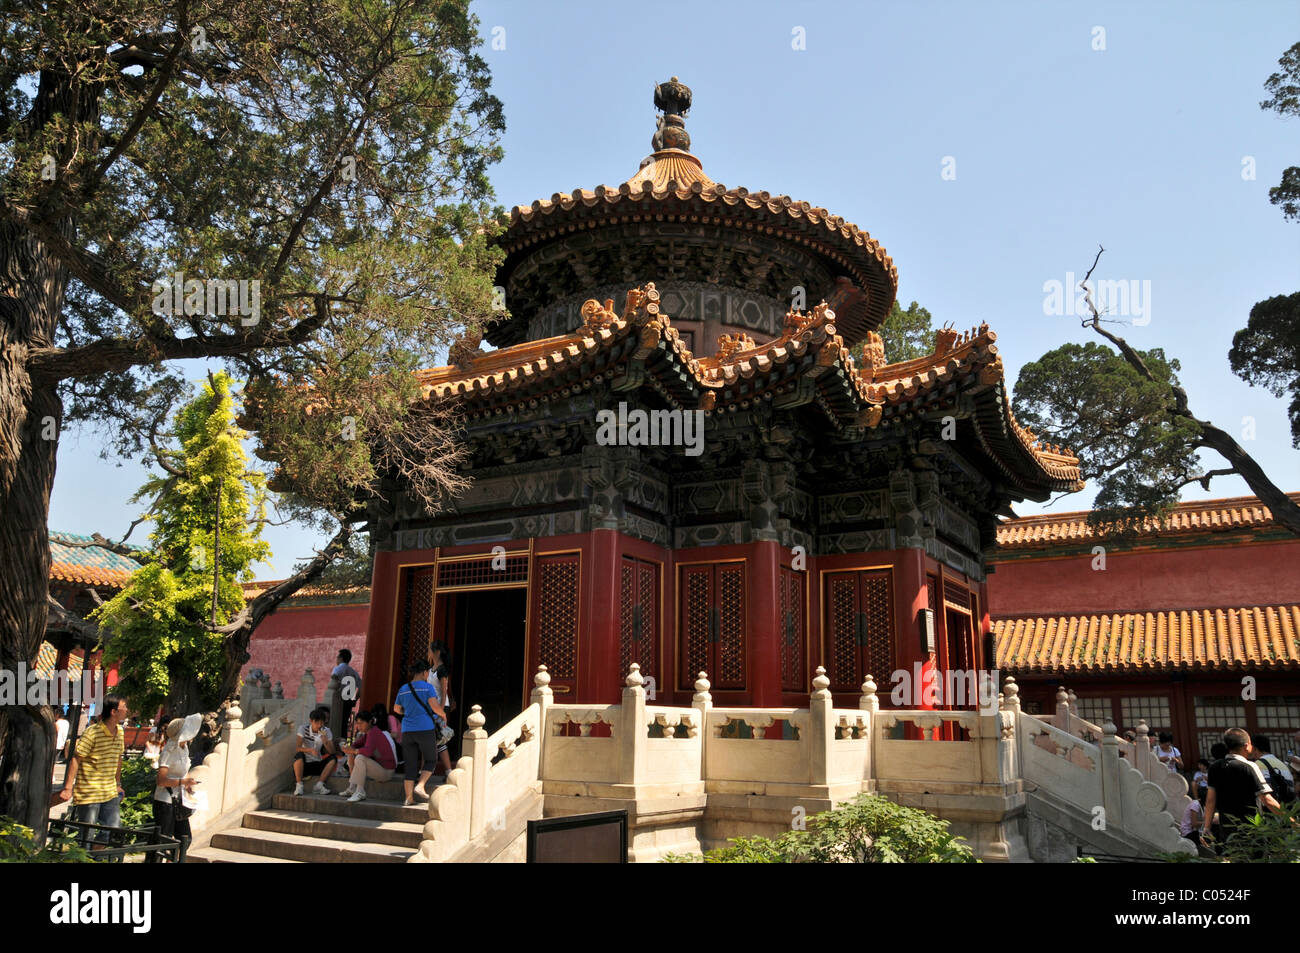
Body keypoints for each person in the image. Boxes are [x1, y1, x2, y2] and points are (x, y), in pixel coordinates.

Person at [58, 694, 127, 847]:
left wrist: (117, 783)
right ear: (114, 712)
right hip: (89, 791)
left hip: (109, 790)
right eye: (124, 707)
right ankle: (84, 857)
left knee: (113, 829)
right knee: (86, 835)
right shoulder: (93, 732)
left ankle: (94, 857)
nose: (127, 710)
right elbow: (77, 758)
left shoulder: (120, 732)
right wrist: (68, 787)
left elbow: (118, 758)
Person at [1201, 728, 1286, 850]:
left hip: (1227, 828)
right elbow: (1266, 799)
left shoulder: (1215, 767)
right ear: (1246, 746)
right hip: (1251, 827)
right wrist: (1289, 819)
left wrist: (1207, 827)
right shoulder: (1250, 766)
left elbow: (1210, 800)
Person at [394, 662, 447, 806]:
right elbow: (434, 707)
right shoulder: (428, 687)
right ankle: (420, 785)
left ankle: (408, 798)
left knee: (410, 764)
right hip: (425, 728)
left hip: (407, 730)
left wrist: (409, 712)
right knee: (431, 759)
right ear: (424, 672)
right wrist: (443, 714)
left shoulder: (403, 689)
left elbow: (397, 709)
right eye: (428, 673)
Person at [150, 717, 197, 862]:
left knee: (185, 838)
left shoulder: (185, 748)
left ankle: (173, 860)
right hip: (165, 801)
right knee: (162, 840)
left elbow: (184, 770)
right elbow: (161, 780)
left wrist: (188, 784)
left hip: (179, 800)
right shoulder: (169, 750)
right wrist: (183, 781)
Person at [339, 710, 398, 802]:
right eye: (357, 724)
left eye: (361, 723)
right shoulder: (369, 733)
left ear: (370, 722)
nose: (359, 726)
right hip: (380, 769)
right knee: (353, 754)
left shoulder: (374, 732)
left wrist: (353, 750)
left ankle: (360, 792)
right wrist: (348, 748)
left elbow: (368, 752)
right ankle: (352, 788)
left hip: (387, 772)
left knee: (360, 757)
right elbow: (356, 744)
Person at [292, 707, 338, 796]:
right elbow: (297, 748)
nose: (319, 725)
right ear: (311, 721)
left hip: (318, 763)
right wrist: (310, 750)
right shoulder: (303, 728)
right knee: (299, 755)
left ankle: (319, 785)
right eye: (316, 722)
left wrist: (325, 742)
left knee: (333, 758)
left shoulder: (326, 731)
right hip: (305, 765)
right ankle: (299, 785)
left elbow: (332, 752)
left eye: (321, 723)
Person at [427, 642, 455, 777]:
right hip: (432, 707)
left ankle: (446, 771)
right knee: (434, 739)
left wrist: (442, 711)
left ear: (437, 652)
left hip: (441, 707)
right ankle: (445, 771)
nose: (429, 652)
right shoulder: (431, 668)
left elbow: (444, 692)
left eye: (430, 650)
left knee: (439, 738)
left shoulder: (442, 670)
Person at [332, 649, 362, 752]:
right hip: (348, 701)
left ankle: (336, 748)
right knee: (344, 726)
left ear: (340, 658)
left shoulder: (337, 670)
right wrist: (355, 699)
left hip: (338, 701)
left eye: (337, 657)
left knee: (336, 725)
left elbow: (333, 684)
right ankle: (344, 750)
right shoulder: (353, 672)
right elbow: (361, 687)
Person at [1253, 736, 1294, 802]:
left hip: (1272, 808)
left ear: (1255, 748)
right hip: (1288, 807)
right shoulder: (1282, 764)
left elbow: (1264, 793)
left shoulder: (1258, 764)